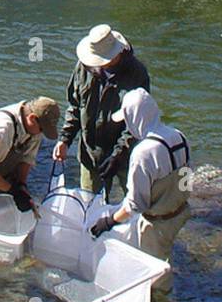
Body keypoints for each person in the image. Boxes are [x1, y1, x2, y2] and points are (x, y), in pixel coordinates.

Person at [89, 88, 191, 300]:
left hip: (158, 223)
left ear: (136, 119)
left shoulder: (143, 153)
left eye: (127, 119)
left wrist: (108, 221)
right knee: (164, 256)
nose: (127, 125)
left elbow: (136, 205)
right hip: (180, 212)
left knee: (154, 273)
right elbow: (185, 179)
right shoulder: (179, 136)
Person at [53, 24, 150, 198]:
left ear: (118, 53)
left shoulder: (137, 74)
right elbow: (75, 106)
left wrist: (117, 156)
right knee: (88, 204)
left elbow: (136, 122)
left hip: (126, 156)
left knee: (136, 202)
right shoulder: (83, 67)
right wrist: (65, 139)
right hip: (90, 153)